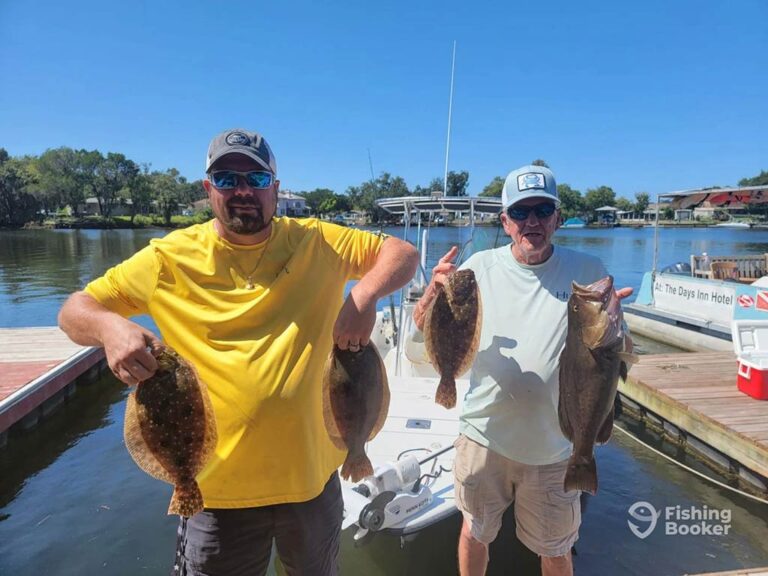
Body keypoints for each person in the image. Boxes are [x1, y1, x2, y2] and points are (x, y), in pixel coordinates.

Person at [58, 128, 419, 576]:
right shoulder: (167, 258)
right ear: (208, 189)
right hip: (214, 493)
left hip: (310, 484)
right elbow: (74, 310)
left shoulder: (318, 241)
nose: (243, 190)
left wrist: (363, 297)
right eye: (227, 179)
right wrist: (109, 327)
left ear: (276, 188)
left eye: (257, 179)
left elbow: (402, 253)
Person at [410, 165, 632, 576]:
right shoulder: (478, 267)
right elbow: (424, 335)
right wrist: (431, 295)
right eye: (521, 212)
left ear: (557, 218)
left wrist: (617, 325)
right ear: (505, 221)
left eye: (542, 210)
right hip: (484, 437)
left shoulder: (588, 271)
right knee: (474, 533)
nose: (532, 222)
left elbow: (614, 353)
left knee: (556, 549)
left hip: (555, 448)